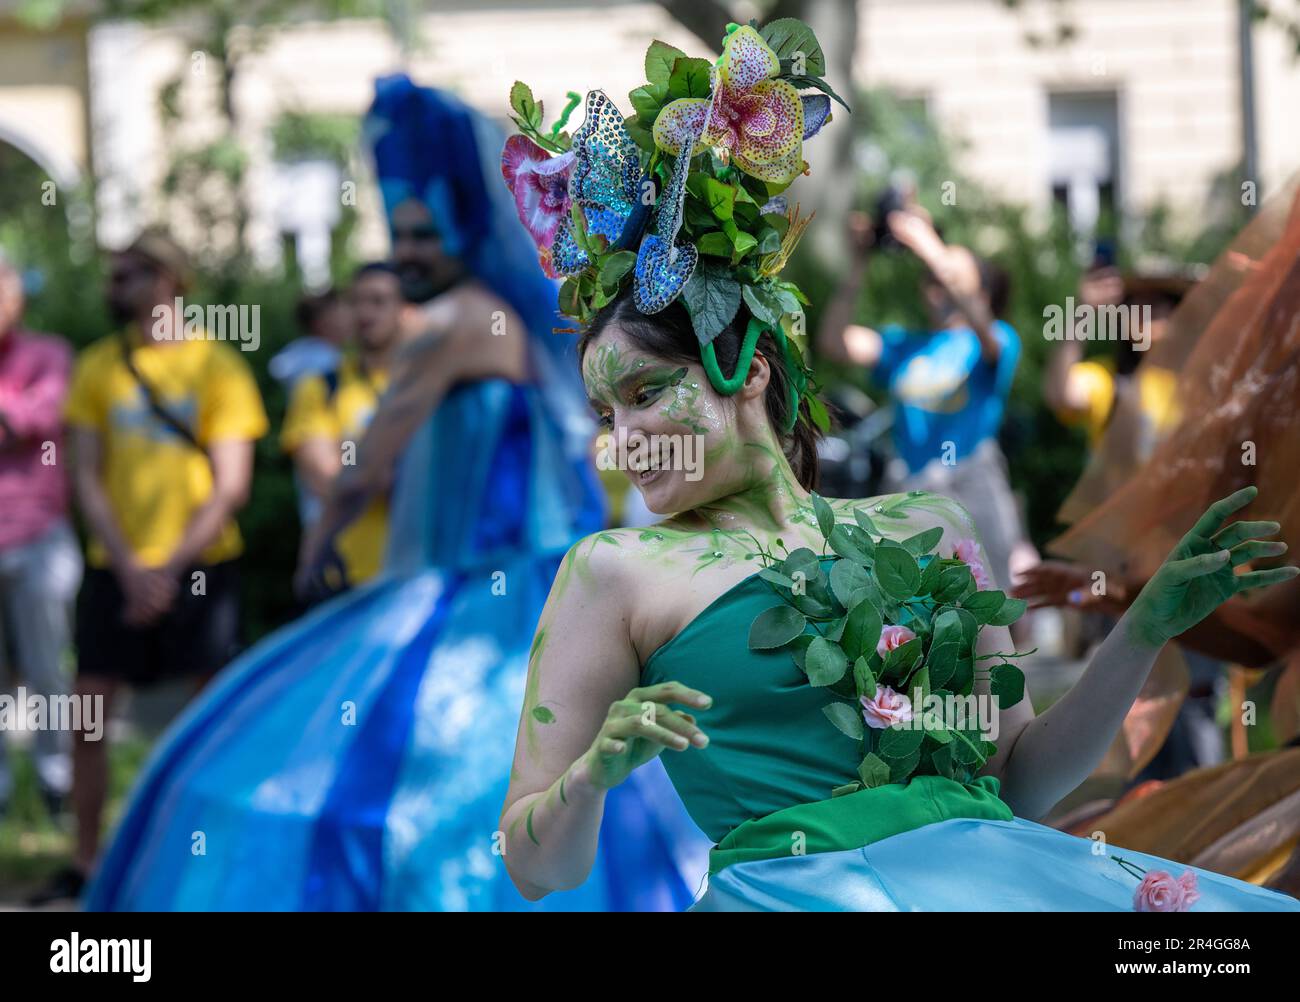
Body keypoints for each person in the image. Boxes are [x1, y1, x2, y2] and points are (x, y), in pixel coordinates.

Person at [497, 19, 1300, 911]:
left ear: (747, 366)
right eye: (606, 415)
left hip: (994, 882)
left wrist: (1144, 627)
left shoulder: (930, 527)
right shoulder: (614, 573)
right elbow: (537, 867)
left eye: (647, 392)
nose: (626, 437)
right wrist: (592, 776)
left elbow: (1022, 782)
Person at [82, 79, 706, 911]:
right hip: (550, 584)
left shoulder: (455, 325)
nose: (407, 251)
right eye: (399, 234)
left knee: (406, 773)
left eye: (423, 233)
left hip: (488, 590)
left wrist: (321, 537)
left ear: (466, 228)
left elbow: (367, 464)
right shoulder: (512, 319)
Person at [1013, 179, 1300, 891]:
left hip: (1189, 592)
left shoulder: (1220, 404)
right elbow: (1269, 625)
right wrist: (1115, 594)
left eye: (1162, 307)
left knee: (1193, 744)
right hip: (1168, 591)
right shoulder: (1130, 394)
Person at [33, 230, 268, 904]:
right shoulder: (98, 367)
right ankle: (85, 863)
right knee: (88, 720)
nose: (115, 289)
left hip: (202, 570)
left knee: (214, 721)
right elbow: (86, 476)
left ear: (169, 280)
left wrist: (167, 568)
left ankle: (210, 861)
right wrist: (134, 568)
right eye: (113, 276)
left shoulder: (217, 365)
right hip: (117, 571)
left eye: (129, 274)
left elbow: (232, 485)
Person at [817, 201, 1035, 598]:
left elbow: (970, 305)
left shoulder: (998, 338)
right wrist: (859, 263)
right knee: (914, 603)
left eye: (946, 275)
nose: (935, 281)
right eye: (930, 277)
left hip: (973, 478)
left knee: (993, 602)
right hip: (912, 483)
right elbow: (834, 342)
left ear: (979, 292)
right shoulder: (906, 345)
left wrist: (927, 242)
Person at [0, 250, 82, 819]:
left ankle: (60, 784)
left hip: (39, 537)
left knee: (48, 666)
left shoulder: (50, 355)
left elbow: (32, 424)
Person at [281, 264, 402, 591]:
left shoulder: (428, 383)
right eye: (355, 302)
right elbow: (326, 480)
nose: (364, 313)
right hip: (343, 576)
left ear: (405, 309)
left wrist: (362, 474)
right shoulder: (321, 386)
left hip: (417, 576)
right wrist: (395, 475)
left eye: (378, 301)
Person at [270, 289, 355, 529]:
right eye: (339, 311)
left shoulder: (301, 360)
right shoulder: (325, 370)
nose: (349, 317)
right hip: (333, 490)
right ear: (321, 321)